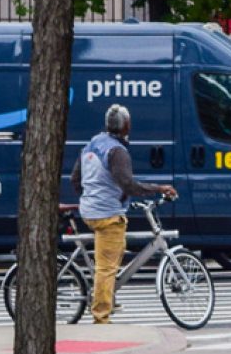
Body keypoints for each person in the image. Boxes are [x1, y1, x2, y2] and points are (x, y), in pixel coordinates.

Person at [70, 104, 177, 324]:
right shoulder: (117, 151)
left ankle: (108, 295)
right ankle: (101, 317)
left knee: (112, 255)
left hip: (89, 210)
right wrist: (158, 188)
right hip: (107, 214)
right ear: (127, 126)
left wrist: (90, 197)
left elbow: (75, 179)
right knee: (106, 268)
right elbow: (128, 185)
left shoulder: (92, 143)